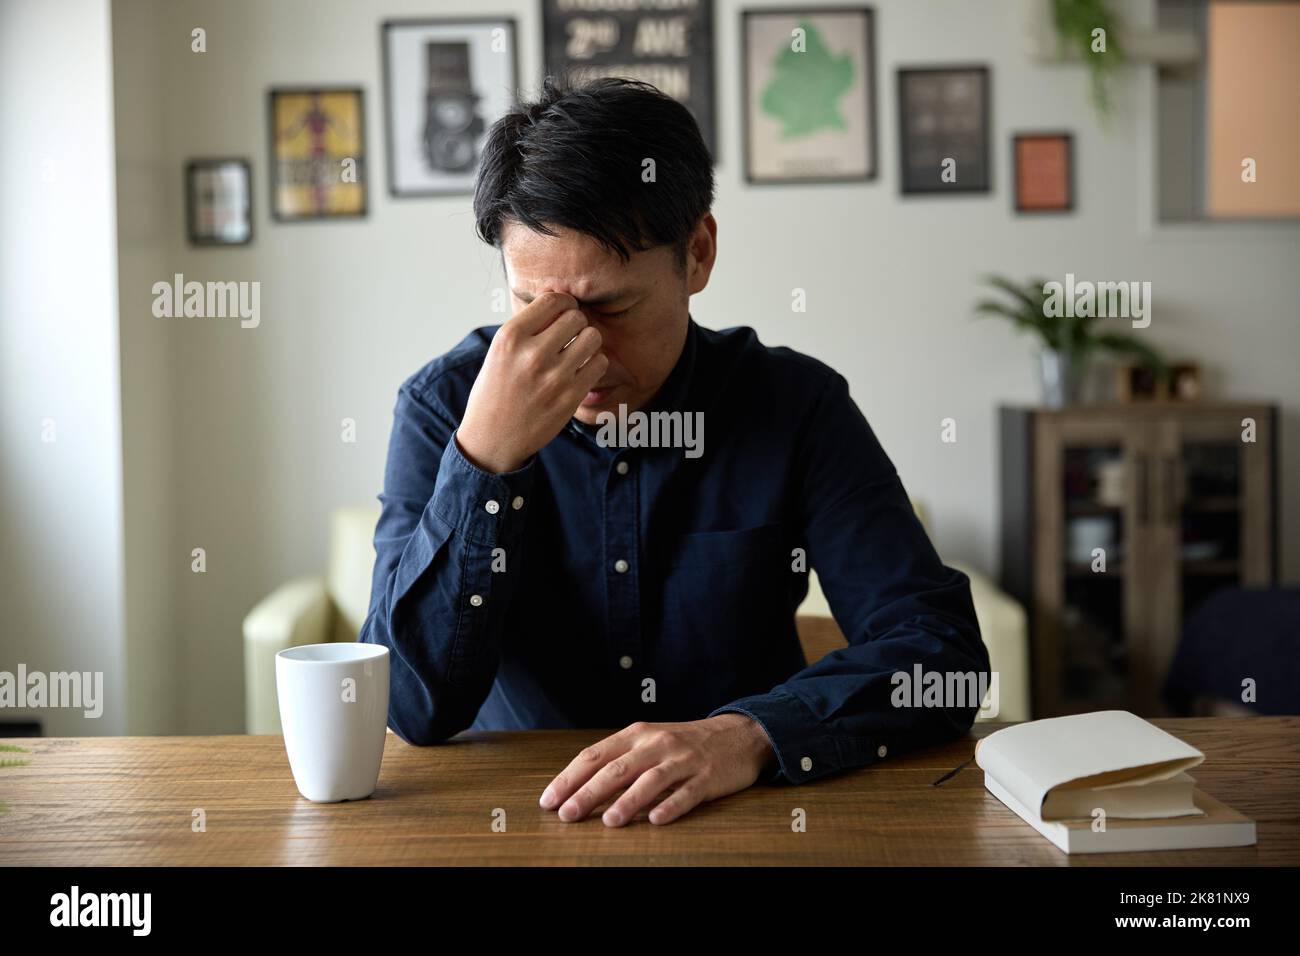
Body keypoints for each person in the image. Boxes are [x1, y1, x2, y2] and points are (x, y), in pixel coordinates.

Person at [359, 76, 989, 827]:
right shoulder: (442, 408)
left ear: (698, 253)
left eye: (608, 306)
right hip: (519, 823)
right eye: (533, 307)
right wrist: (486, 463)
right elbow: (411, 708)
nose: (576, 350)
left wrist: (750, 735)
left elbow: (942, 658)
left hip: (750, 820)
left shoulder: (795, 407)